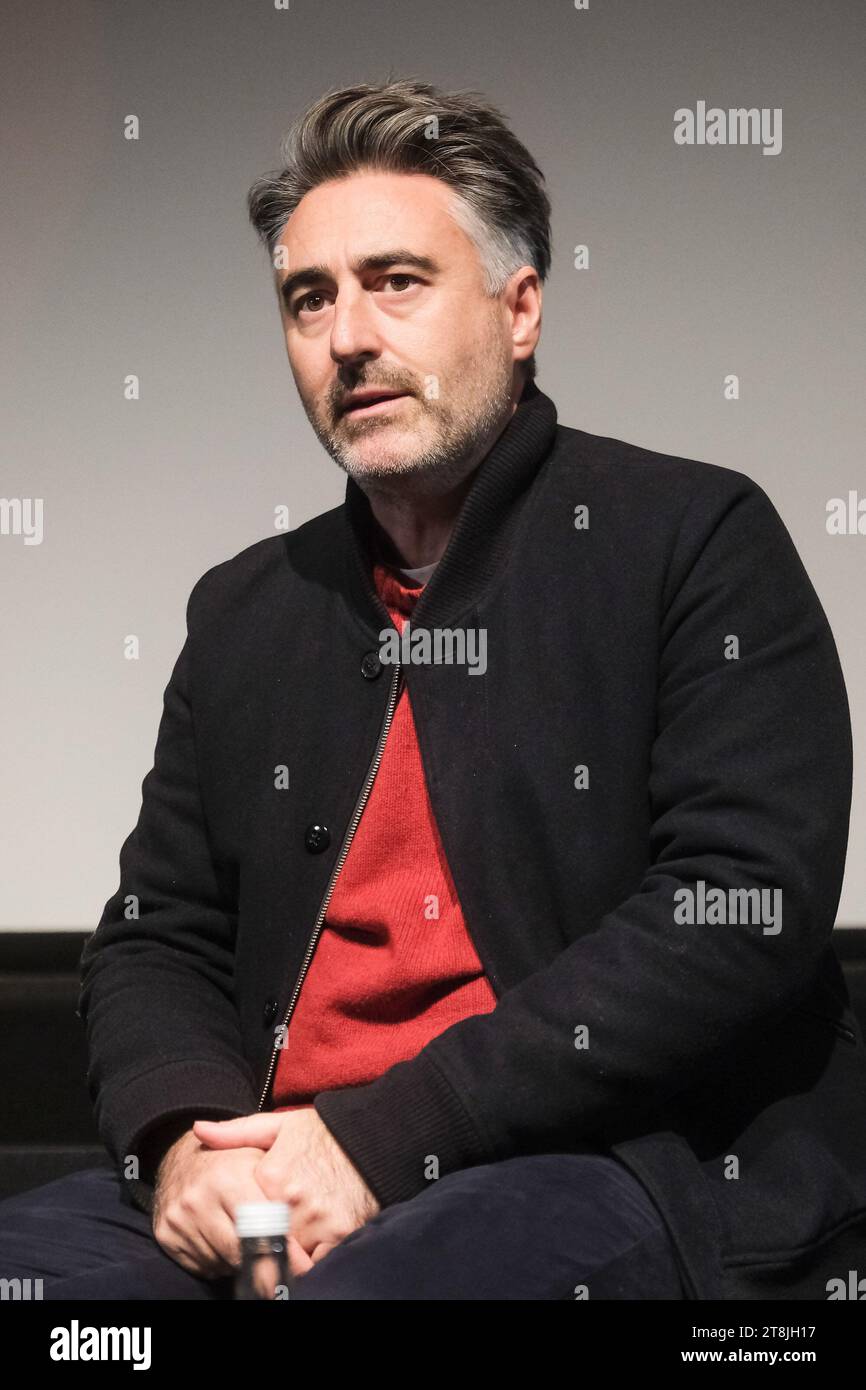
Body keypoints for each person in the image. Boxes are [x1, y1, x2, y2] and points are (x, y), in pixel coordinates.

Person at [2, 77, 865, 1301]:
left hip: (598, 1157)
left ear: (519, 311)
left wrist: (374, 1138)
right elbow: (159, 935)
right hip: (277, 1171)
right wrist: (185, 1145)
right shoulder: (248, 609)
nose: (347, 334)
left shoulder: (688, 537)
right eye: (309, 298)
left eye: (395, 281)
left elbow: (736, 906)